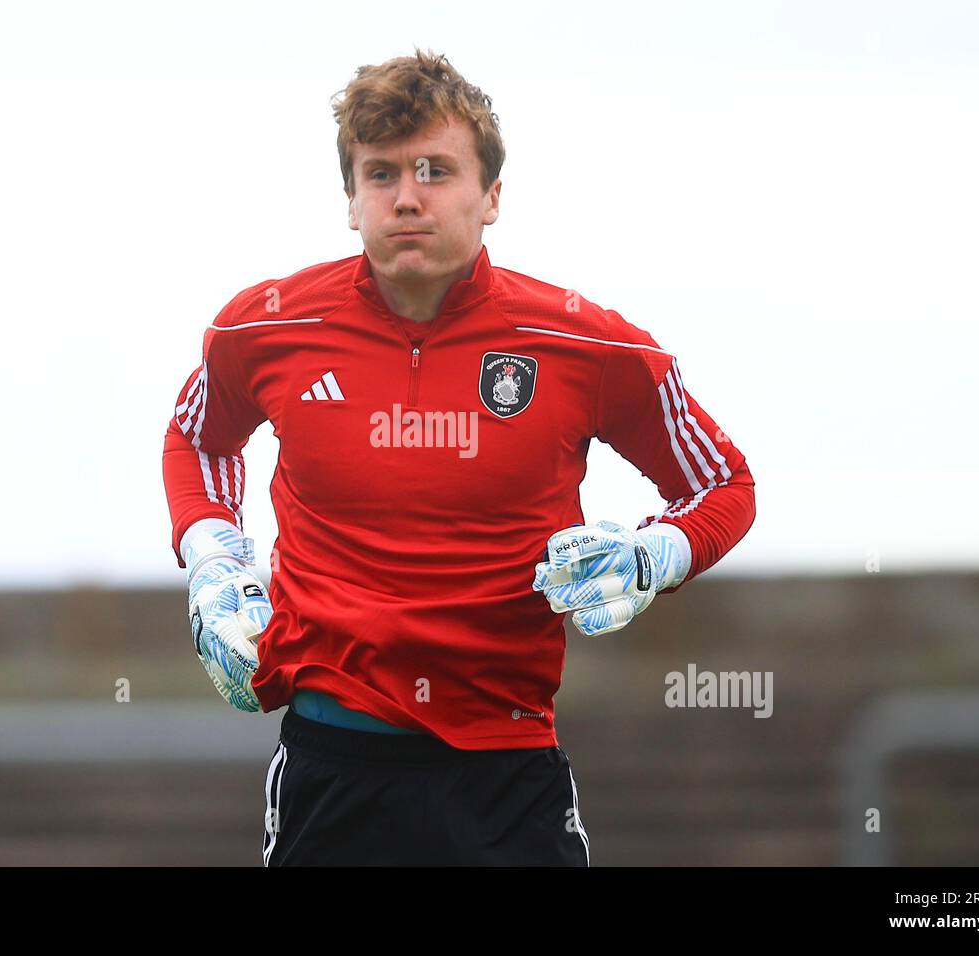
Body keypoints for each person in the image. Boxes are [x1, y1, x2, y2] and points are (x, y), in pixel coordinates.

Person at [161, 48, 756, 866]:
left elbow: (723, 483)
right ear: (350, 200)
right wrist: (215, 558)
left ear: (492, 197)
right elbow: (198, 439)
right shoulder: (261, 328)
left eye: (436, 170)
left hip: (507, 782)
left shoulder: (582, 343)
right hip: (330, 771)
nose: (407, 196)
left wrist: (653, 555)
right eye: (381, 174)